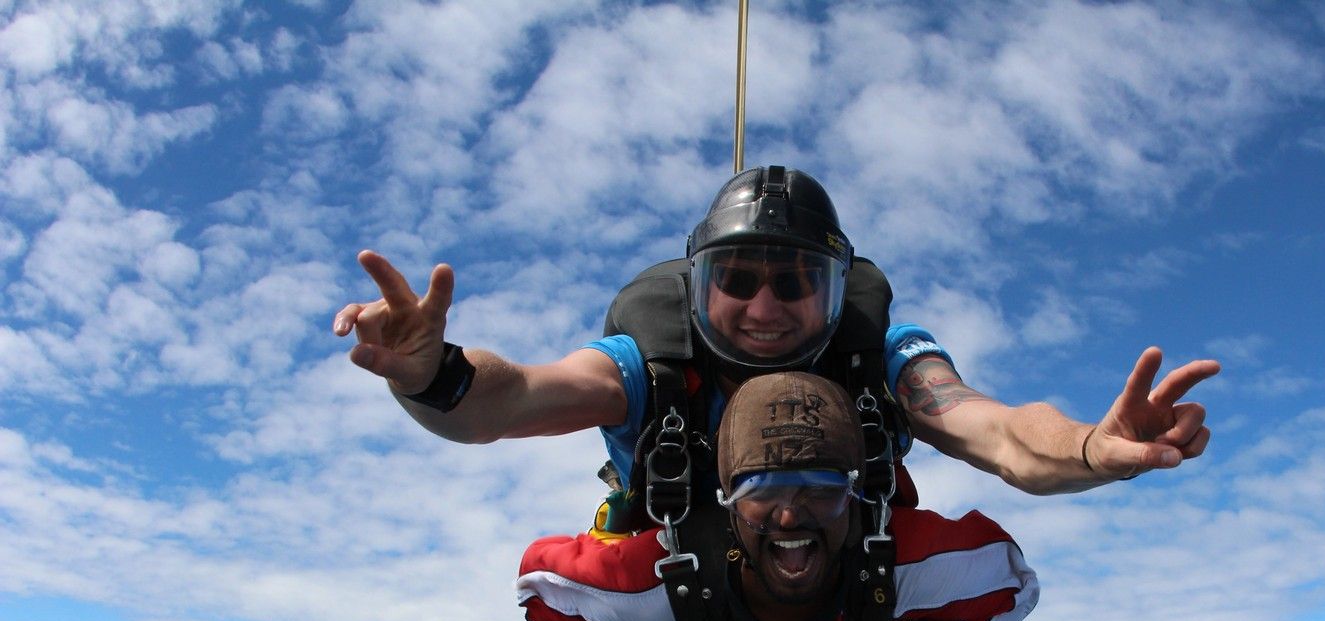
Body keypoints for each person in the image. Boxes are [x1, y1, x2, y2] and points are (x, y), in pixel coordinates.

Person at [332, 166, 1219, 504]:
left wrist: (1091, 448)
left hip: (842, 577)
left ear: (839, 291)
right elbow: (511, 398)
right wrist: (430, 373)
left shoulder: (880, 354)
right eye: (737, 280)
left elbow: (990, 428)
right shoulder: (652, 363)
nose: (764, 308)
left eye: (798, 282)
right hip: (693, 570)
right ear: (695, 285)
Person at [515, 372, 1038, 621]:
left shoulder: (896, 562)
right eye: (759, 488)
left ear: (855, 497)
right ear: (725, 499)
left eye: (822, 488)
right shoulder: (667, 580)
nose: (789, 516)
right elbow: (540, 593)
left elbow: (1015, 587)